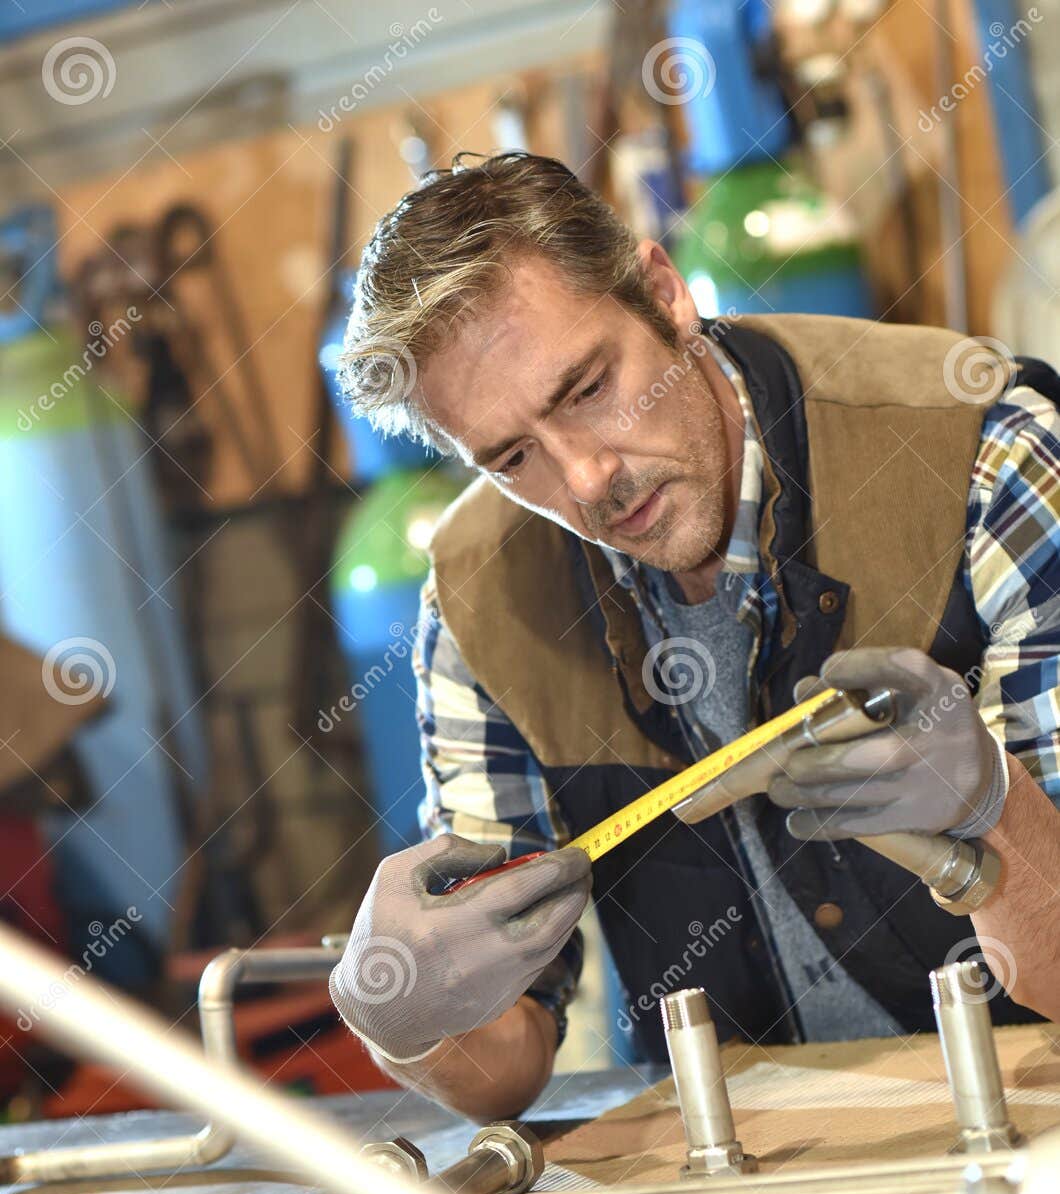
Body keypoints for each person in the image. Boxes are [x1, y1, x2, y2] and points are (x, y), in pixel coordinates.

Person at [329, 153, 1060, 1120]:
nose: (586, 479)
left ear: (666, 295)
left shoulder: (985, 457)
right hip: (737, 1164)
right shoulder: (479, 601)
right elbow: (508, 1061)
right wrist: (404, 1019)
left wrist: (995, 807)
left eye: (587, 389)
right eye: (511, 456)